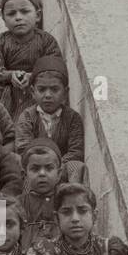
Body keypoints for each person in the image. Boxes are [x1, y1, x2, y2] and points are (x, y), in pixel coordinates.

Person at [0, 0, 60, 116]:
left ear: (38, 15)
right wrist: (10, 75)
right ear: (4, 19)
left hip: (35, 90)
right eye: (11, 14)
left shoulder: (46, 41)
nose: (18, 17)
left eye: (25, 12)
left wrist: (32, 77)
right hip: (7, 90)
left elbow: (55, 69)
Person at [15, 55, 85, 183]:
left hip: (61, 170)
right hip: (35, 170)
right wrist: (42, 165)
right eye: (41, 90)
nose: (48, 95)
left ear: (65, 92)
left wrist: (53, 167)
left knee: (76, 165)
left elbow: (76, 152)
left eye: (54, 89)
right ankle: (29, 194)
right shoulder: (27, 116)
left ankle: (71, 194)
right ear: (32, 92)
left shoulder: (73, 118)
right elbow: (24, 149)